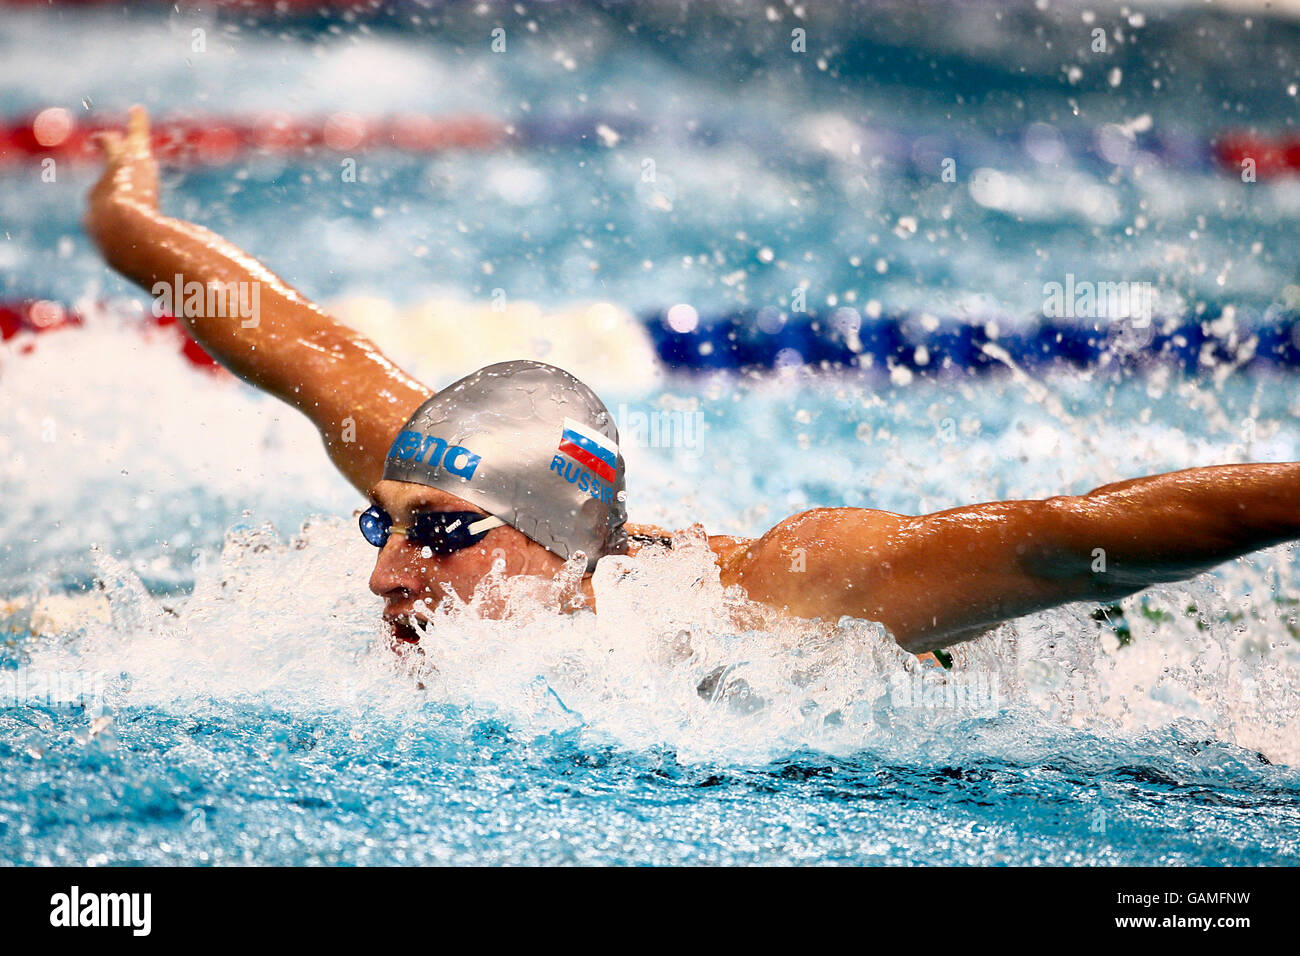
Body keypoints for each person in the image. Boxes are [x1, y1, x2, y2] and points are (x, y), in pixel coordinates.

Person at [85, 106, 1300, 657]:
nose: (387, 572)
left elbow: (1064, 543)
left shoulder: (777, 598)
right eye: (387, 525)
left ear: (563, 542)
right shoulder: (440, 466)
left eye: (439, 537)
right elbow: (284, 337)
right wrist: (123, 203)